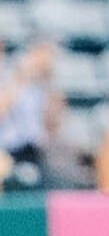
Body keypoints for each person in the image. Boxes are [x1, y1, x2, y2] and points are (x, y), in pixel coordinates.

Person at [0, 40, 62, 178]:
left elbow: (53, 124)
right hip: (6, 153)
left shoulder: (31, 82)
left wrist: (49, 80)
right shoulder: (17, 77)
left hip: (34, 152)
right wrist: (21, 76)